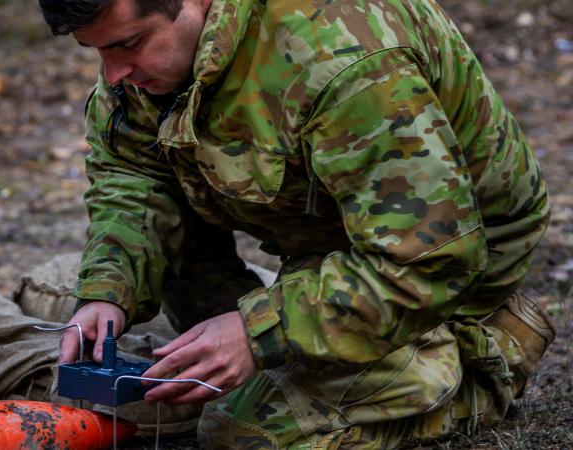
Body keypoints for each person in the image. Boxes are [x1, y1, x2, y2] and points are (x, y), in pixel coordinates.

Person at [36, 0, 555, 447]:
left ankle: (476, 363)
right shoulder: (162, 58)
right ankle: (266, 353)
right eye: (98, 52)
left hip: (450, 264)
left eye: (127, 44)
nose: (113, 74)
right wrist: (112, 287)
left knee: (246, 433)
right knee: (168, 383)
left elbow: (431, 259)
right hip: (335, 236)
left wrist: (259, 328)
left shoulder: (342, 60)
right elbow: (134, 171)